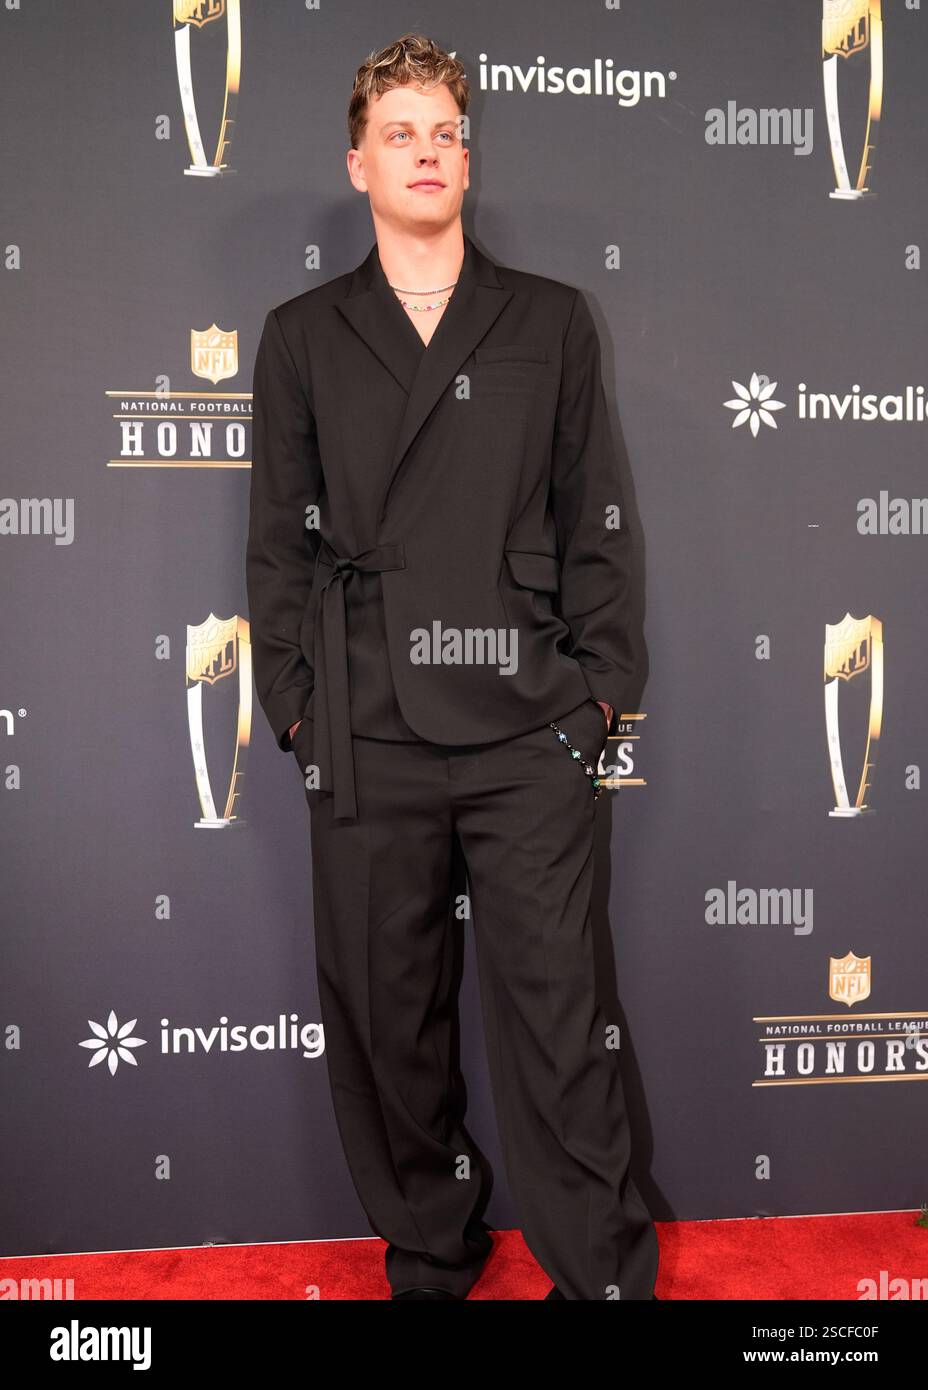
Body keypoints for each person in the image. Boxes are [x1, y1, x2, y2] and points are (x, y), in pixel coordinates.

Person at [246, 31, 659, 1301]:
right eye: (400, 135)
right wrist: (299, 712)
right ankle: (433, 1252)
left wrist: (599, 699)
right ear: (358, 163)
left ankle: (601, 1273)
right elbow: (276, 547)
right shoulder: (302, 334)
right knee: (389, 1024)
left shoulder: (548, 319)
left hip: (528, 721)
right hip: (365, 724)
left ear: (467, 162)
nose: (425, 154)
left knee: (560, 1022)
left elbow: (598, 520)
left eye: (444, 135)